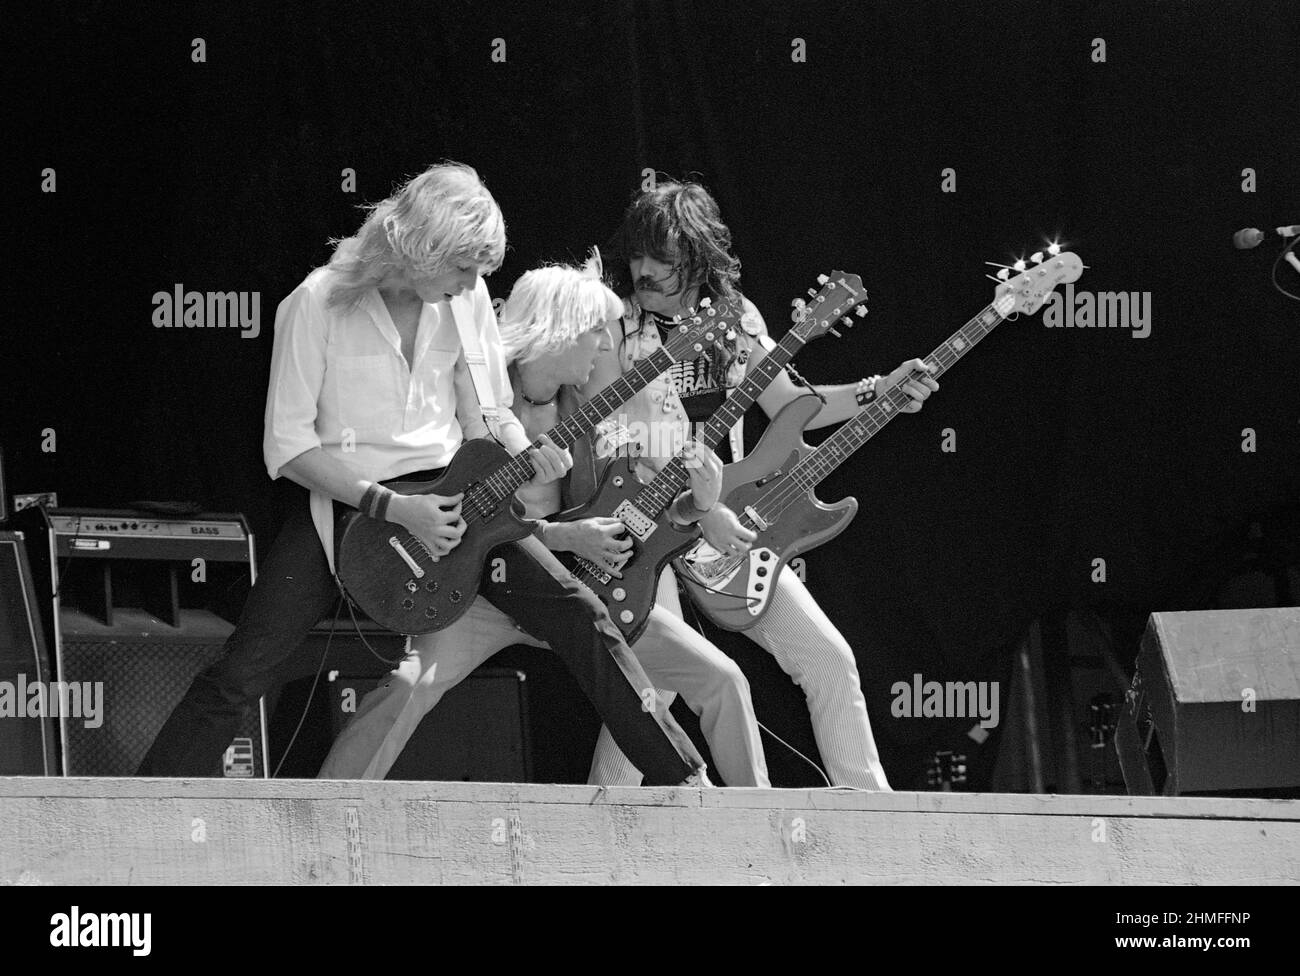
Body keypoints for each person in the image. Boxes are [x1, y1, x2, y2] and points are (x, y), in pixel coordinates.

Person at [137, 163, 707, 787]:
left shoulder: (461, 304)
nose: (475, 284)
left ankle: (683, 780)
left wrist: (529, 450)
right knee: (245, 670)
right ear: (421, 246)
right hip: (350, 506)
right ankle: (139, 809)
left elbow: (489, 413)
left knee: (579, 612)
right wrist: (391, 507)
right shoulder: (315, 303)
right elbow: (288, 447)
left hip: (462, 499)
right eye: (465, 268)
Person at [318, 253, 770, 786]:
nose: (607, 347)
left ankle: (757, 832)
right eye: (597, 334)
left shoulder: (588, 407)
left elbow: (638, 504)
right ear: (558, 333)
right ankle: (323, 813)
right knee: (408, 686)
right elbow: (456, 506)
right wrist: (562, 534)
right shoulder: (475, 396)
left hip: (574, 588)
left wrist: (697, 507)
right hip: (479, 589)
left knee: (722, 679)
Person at [584, 178, 940, 790]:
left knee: (830, 659)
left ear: (697, 258)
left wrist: (881, 390)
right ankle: (592, 844)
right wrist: (669, 495)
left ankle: (874, 822)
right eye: (637, 255)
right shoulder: (612, 320)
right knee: (655, 689)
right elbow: (599, 436)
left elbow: (792, 404)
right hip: (646, 530)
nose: (642, 270)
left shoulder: (736, 317)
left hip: (724, 522)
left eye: (660, 260)